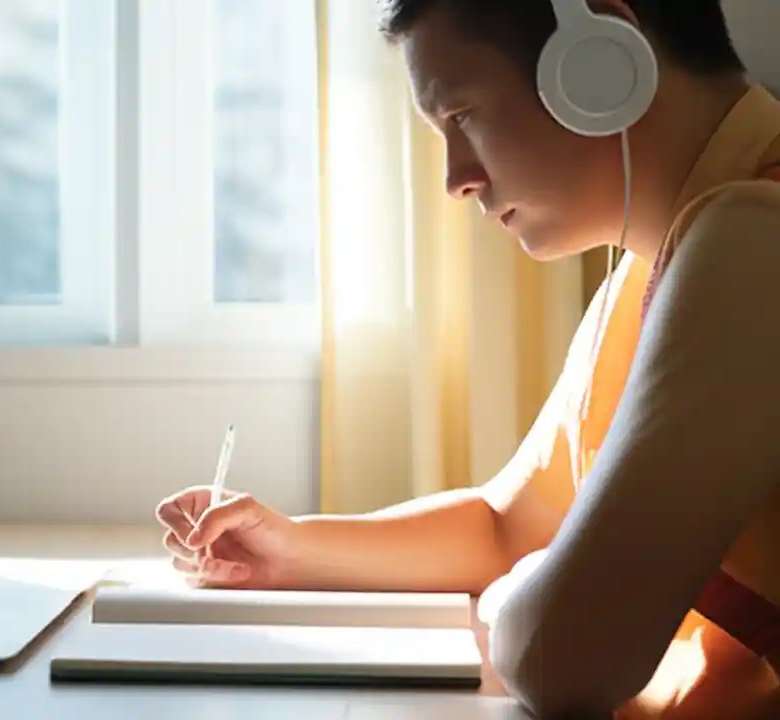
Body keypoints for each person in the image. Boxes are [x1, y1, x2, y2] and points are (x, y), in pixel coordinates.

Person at [155, 1, 780, 717]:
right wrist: (292, 549)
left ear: (602, 57)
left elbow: (564, 658)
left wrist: (528, 587)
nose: (457, 180)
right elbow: (507, 525)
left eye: (462, 116)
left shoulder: (754, 238)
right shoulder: (658, 266)